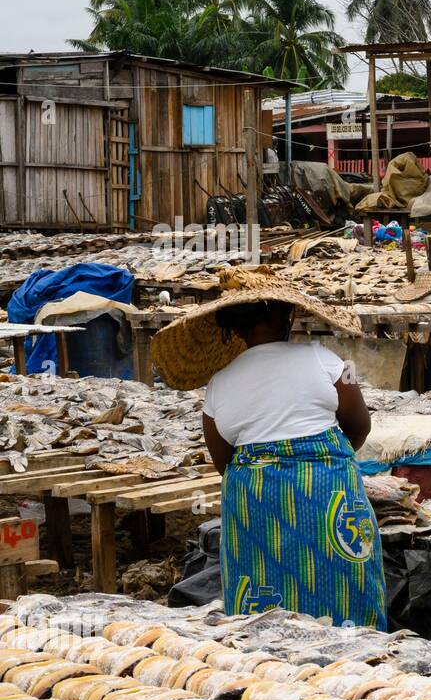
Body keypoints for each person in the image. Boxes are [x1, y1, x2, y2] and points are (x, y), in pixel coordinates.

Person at [151, 270, 386, 629]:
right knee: (345, 591)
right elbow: (360, 427)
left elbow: (223, 463)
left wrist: (269, 467)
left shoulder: (219, 384)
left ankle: (268, 669)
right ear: (287, 315)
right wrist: (325, 463)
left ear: (235, 328)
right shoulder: (326, 360)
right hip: (329, 499)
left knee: (260, 606)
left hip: (255, 504)